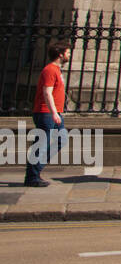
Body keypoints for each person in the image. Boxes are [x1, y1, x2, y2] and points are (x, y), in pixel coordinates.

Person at [26, 41, 70, 188]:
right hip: (46, 113)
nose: (69, 55)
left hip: (53, 113)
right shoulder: (50, 70)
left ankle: (35, 170)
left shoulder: (56, 70)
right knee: (41, 145)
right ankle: (33, 176)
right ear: (60, 54)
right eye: (67, 52)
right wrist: (53, 113)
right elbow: (47, 93)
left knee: (61, 139)